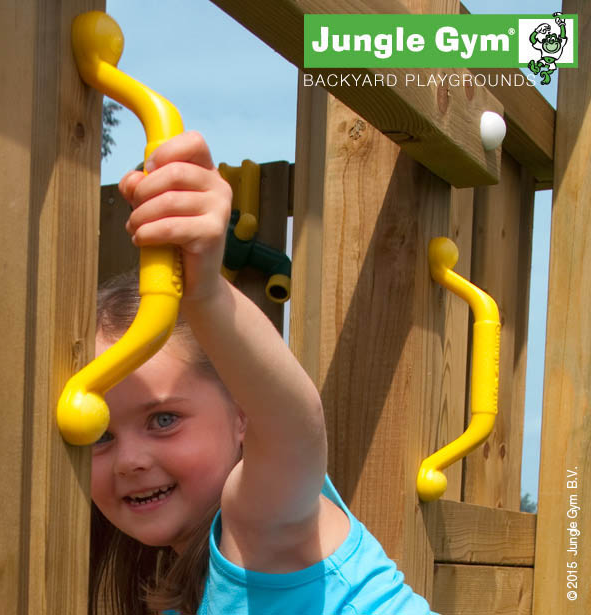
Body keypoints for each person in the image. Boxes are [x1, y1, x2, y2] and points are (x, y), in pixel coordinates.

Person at [89, 131, 436, 615]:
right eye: (100, 435)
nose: (128, 460)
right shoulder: (188, 574)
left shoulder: (261, 519)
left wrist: (205, 290)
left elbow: (294, 423)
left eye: (163, 419)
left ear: (242, 415)